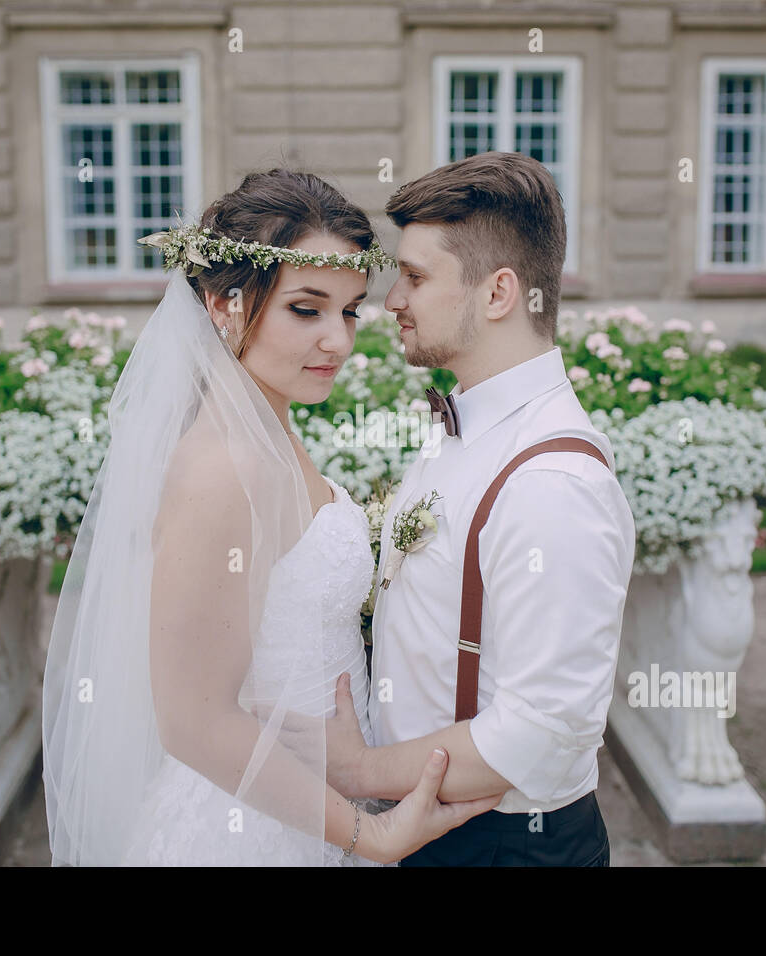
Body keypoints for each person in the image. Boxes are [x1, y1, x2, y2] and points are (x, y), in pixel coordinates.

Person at [42, 168, 500, 866]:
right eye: (307, 309)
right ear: (225, 305)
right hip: (252, 827)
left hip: (303, 800)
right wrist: (368, 835)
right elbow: (193, 719)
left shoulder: (264, 427)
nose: (340, 343)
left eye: (349, 310)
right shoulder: (225, 465)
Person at [325, 151, 638, 866]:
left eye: (415, 276)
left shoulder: (554, 483)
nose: (391, 301)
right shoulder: (469, 424)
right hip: (435, 829)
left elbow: (544, 726)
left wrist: (358, 771)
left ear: (499, 293)